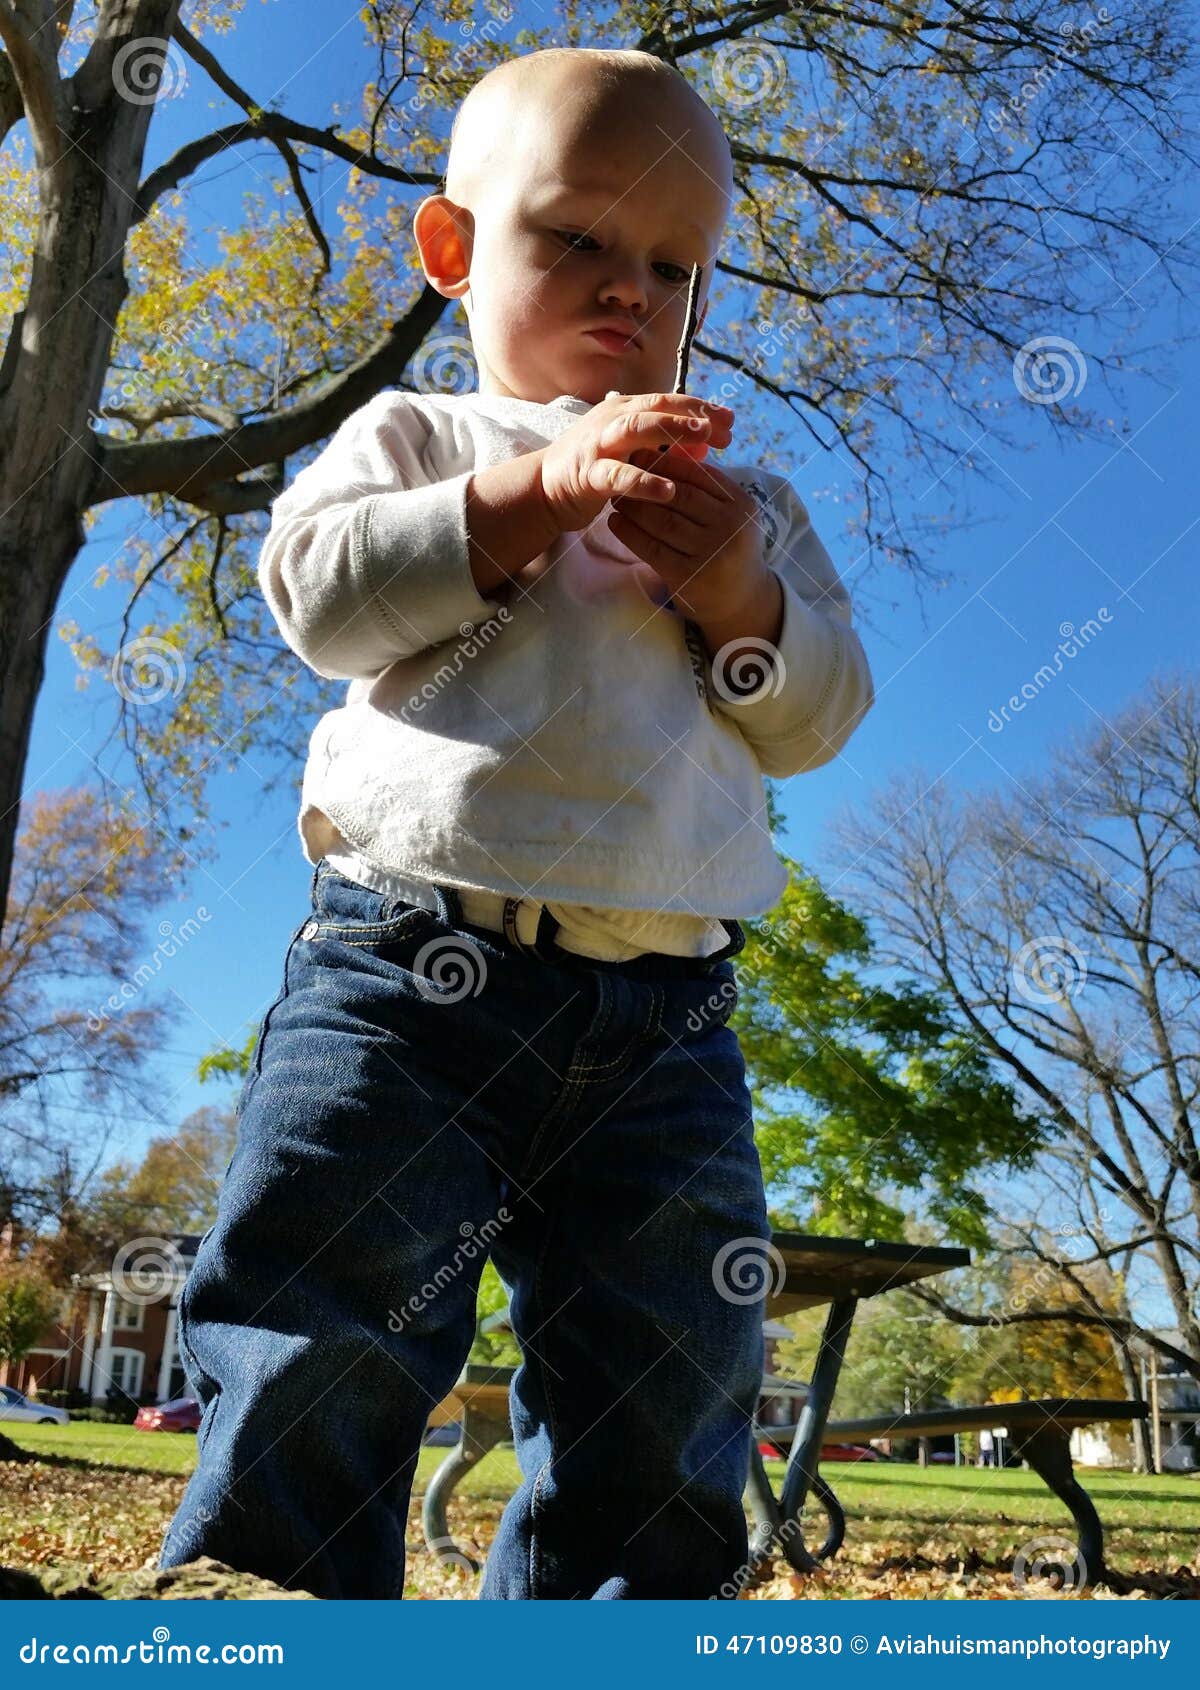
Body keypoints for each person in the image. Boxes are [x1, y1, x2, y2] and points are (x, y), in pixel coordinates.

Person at [158, 45, 874, 1600]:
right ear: (451, 246)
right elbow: (319, 599)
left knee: (664, 1376)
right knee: (326, 1314)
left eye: (674, 264)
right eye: (578, 237)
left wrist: (738, 598)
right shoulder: (421, 440)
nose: (632, 288)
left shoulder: (746, 507)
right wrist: (537, 493)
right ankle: (269, 1601)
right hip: (407, 976)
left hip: (668, 1021)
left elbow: (816, 717)